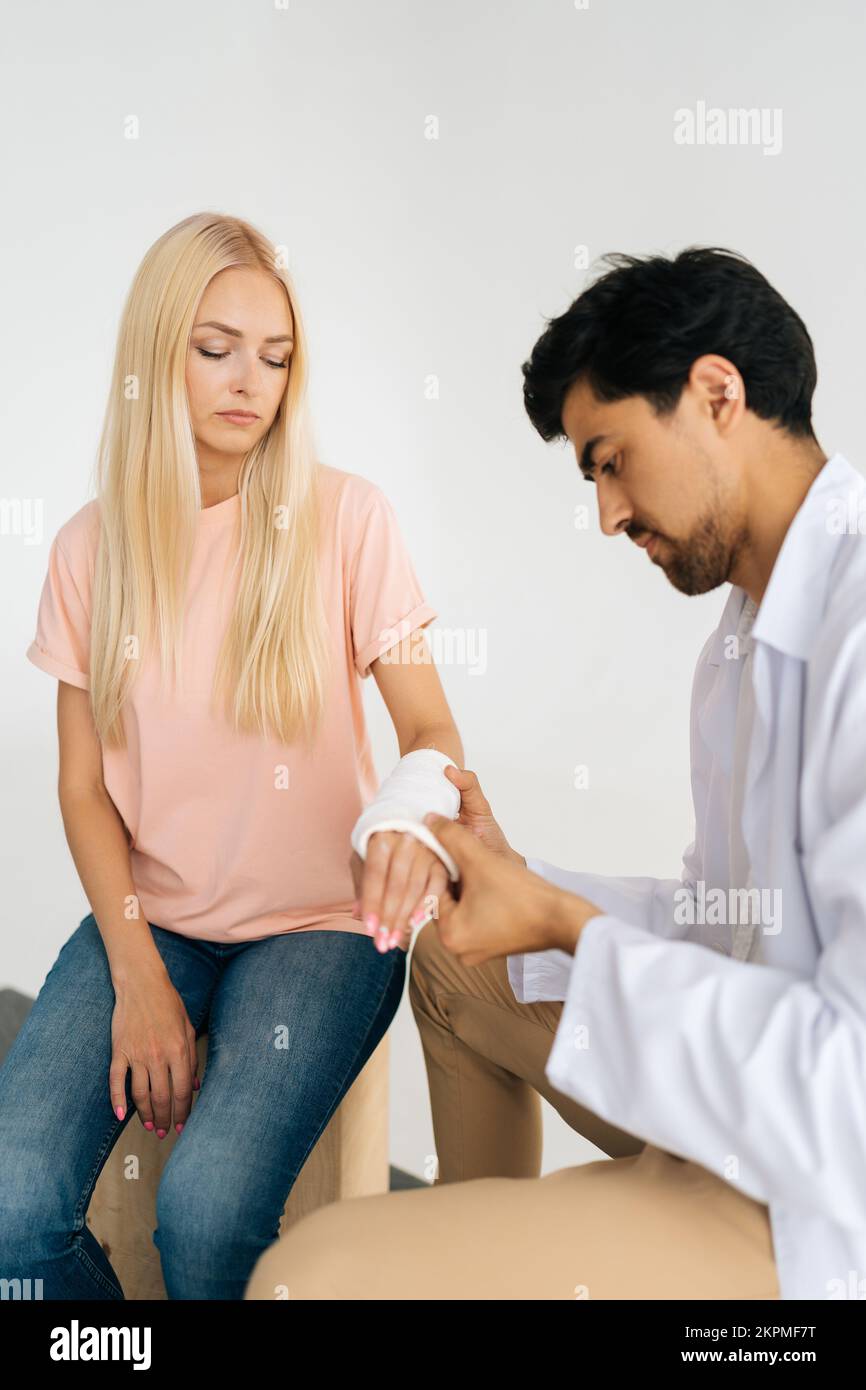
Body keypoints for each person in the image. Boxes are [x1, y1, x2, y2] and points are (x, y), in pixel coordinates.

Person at [244, 247, 866, 1301]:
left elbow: (844, 1094)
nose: (608, 513)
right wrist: (524, 890)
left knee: (308, 1280)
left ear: (718, 393)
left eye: (610, 458)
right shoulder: (741, 643)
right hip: (752, 1102)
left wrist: (567, 925)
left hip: (820, 1193)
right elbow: (734, 931)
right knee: (454, 958)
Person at [0, 210, 467, 1300]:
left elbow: (434, 735)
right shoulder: (87, 548)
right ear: (157, 352)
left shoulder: (345, 519)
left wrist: (408, 815)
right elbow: (81, 786)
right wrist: (137, 978)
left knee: (206, 1221)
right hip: (153, 915)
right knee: (14, 1207)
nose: (247, 381)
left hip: (321, 926)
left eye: (275, 356)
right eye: (215, 348)